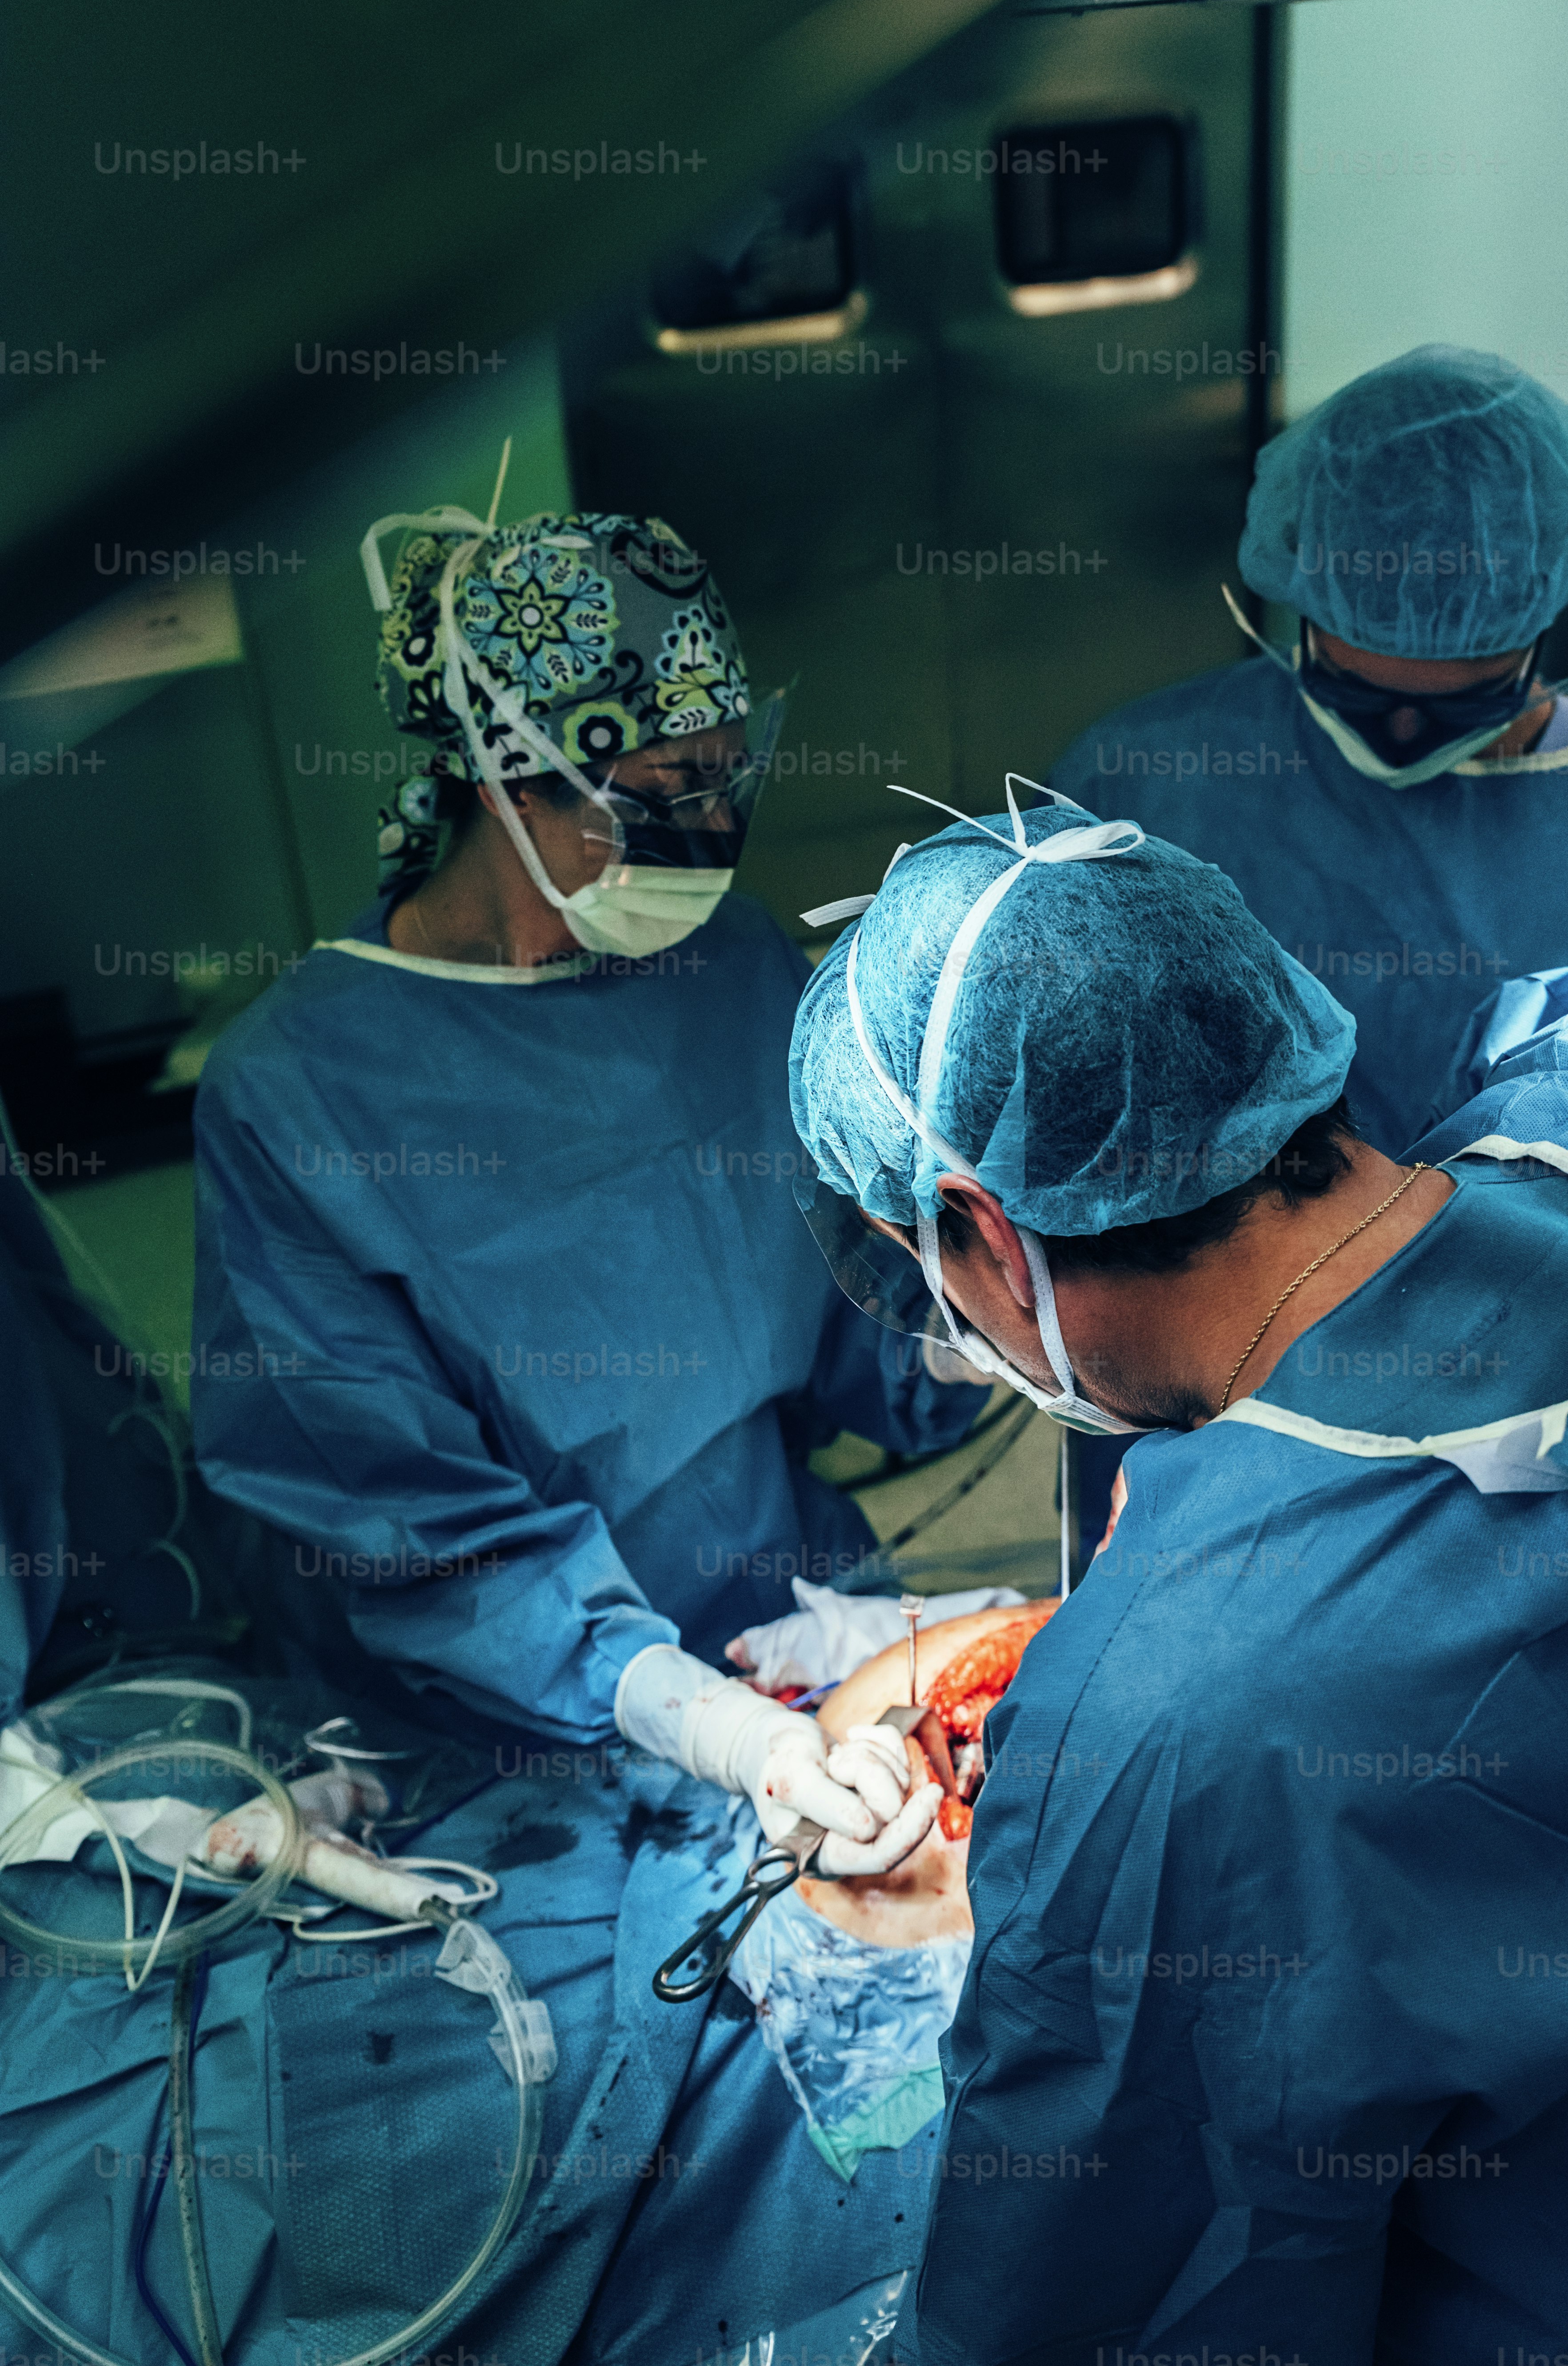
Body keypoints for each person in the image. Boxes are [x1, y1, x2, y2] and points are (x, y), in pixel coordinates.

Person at [787, 777, 1568, 2362]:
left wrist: (1176, 1631)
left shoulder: (1179, 1729)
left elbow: (1096, 2298)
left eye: (927, 1268)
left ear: (982, 1228)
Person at [191, 467, 984, 1877]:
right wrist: (711, 1729)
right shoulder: (299, 1095)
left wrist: (986, 1320)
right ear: (506, 777)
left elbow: (849, 1306)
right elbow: (406, 1534)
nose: (716, 833)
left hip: (768, 1601)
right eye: (668, 795)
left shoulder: (731, 966)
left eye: (731, 777)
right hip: (479, 1717)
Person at [1052, 344, 1568, 1153]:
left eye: (1461, 704)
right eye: (1359, 694)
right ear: (1304, 595)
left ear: (1538, 627)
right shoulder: (1146, 774)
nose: (1401, 736)